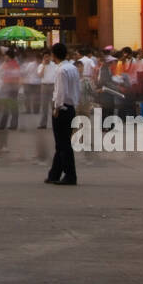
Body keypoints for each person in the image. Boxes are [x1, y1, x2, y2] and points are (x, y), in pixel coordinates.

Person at [45, 42, 81, 186]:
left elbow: (61, 92)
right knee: (62, 143)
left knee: (63, 144)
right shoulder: (72, 68)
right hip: (71, 107)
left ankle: (70, 175)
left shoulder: (61, 71)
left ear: (53, 55)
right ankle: (54, 174)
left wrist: (57, 108)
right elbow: (75, 89)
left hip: (63, 108)